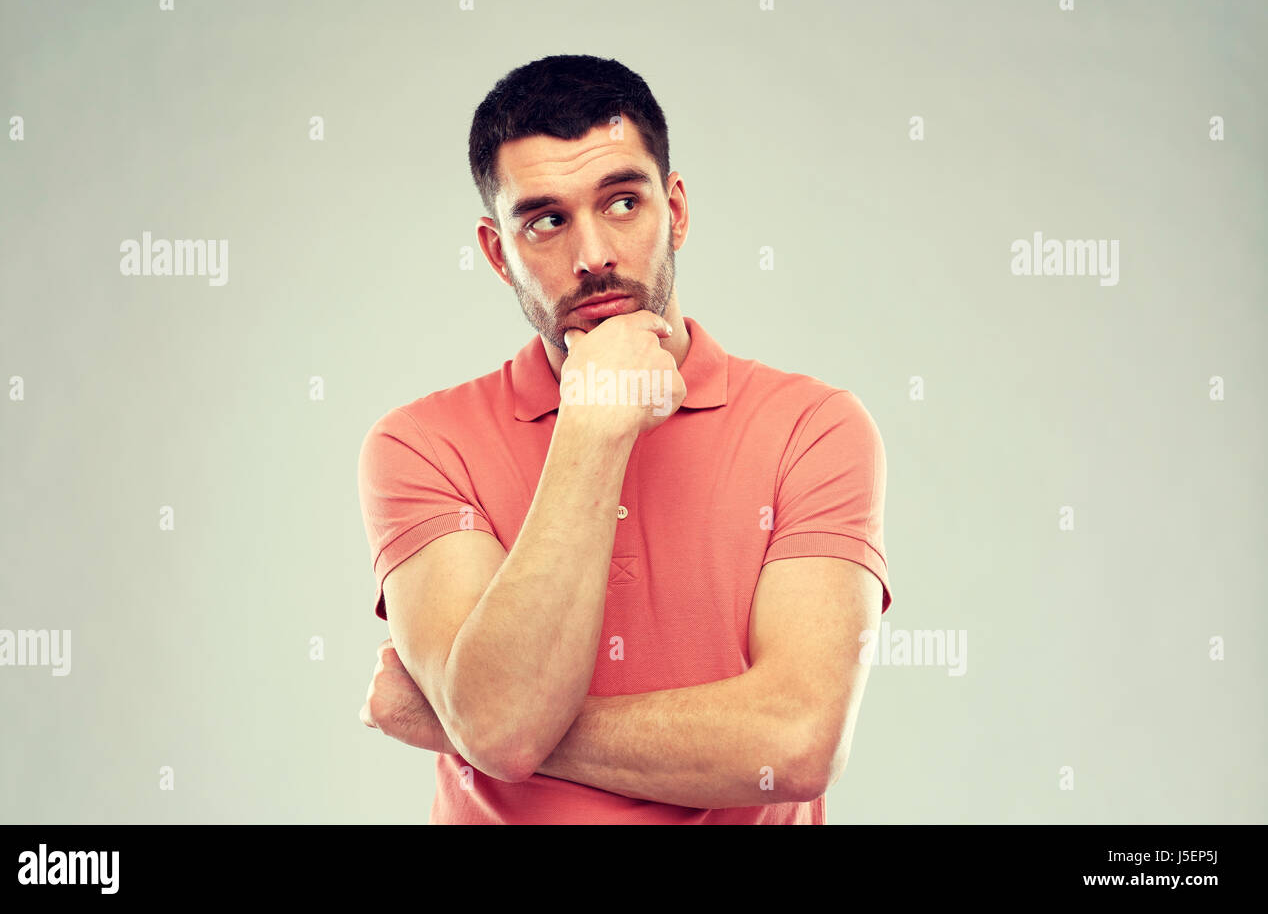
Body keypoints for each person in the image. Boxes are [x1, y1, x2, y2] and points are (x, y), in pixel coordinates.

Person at [356, 54, 893, 823]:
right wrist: (595, 423)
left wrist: (457, 720)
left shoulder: (815, 429)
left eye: (621, 203)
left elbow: (796, 744)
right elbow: (503, 726)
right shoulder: (419, 446)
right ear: (497, 253)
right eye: (546, 221)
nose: (593, 257)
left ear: (674, 210)